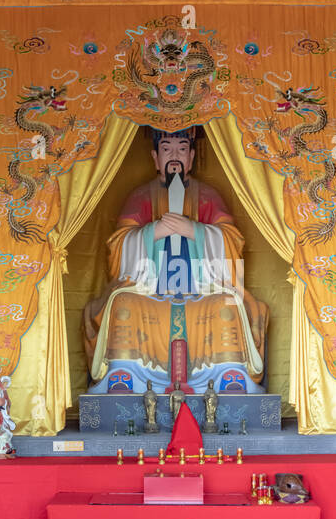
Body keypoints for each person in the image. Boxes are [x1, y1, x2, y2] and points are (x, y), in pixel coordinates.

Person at [83, 127, 268, 394]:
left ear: (191, 157)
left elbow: (233, 241)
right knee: (123, 303)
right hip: (148, 292)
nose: (174, 156)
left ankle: (228, 375)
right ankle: (125, 376)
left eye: (182, 149)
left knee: (226, 307)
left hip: (204, 291)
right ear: (155, 157)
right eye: (166, 149)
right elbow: (117, 244)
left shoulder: (207, 196)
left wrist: (194, 230)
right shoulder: (141, 196)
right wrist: (153, 233)